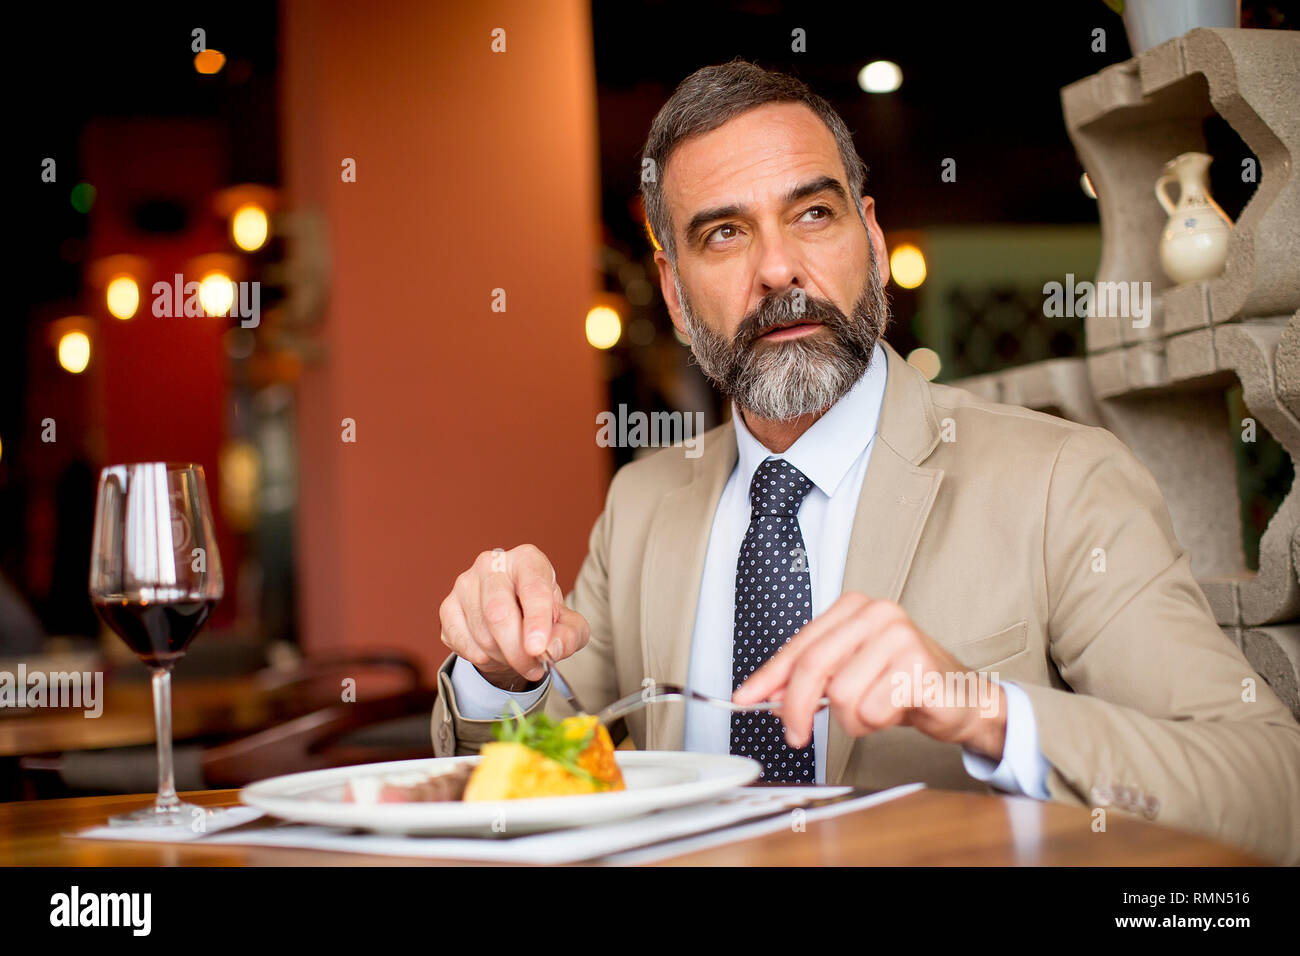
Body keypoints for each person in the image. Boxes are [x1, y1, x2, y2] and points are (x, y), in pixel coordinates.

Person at [431, 60, 1300, 863]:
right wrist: (499, 676)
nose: (780, 269)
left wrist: (988, 711)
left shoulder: (1061, 482)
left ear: (872, 239)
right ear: (671, 288)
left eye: (814, 213)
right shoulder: (644, 503)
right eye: (725, 234)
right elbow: (531, 777)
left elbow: (1271, 787)